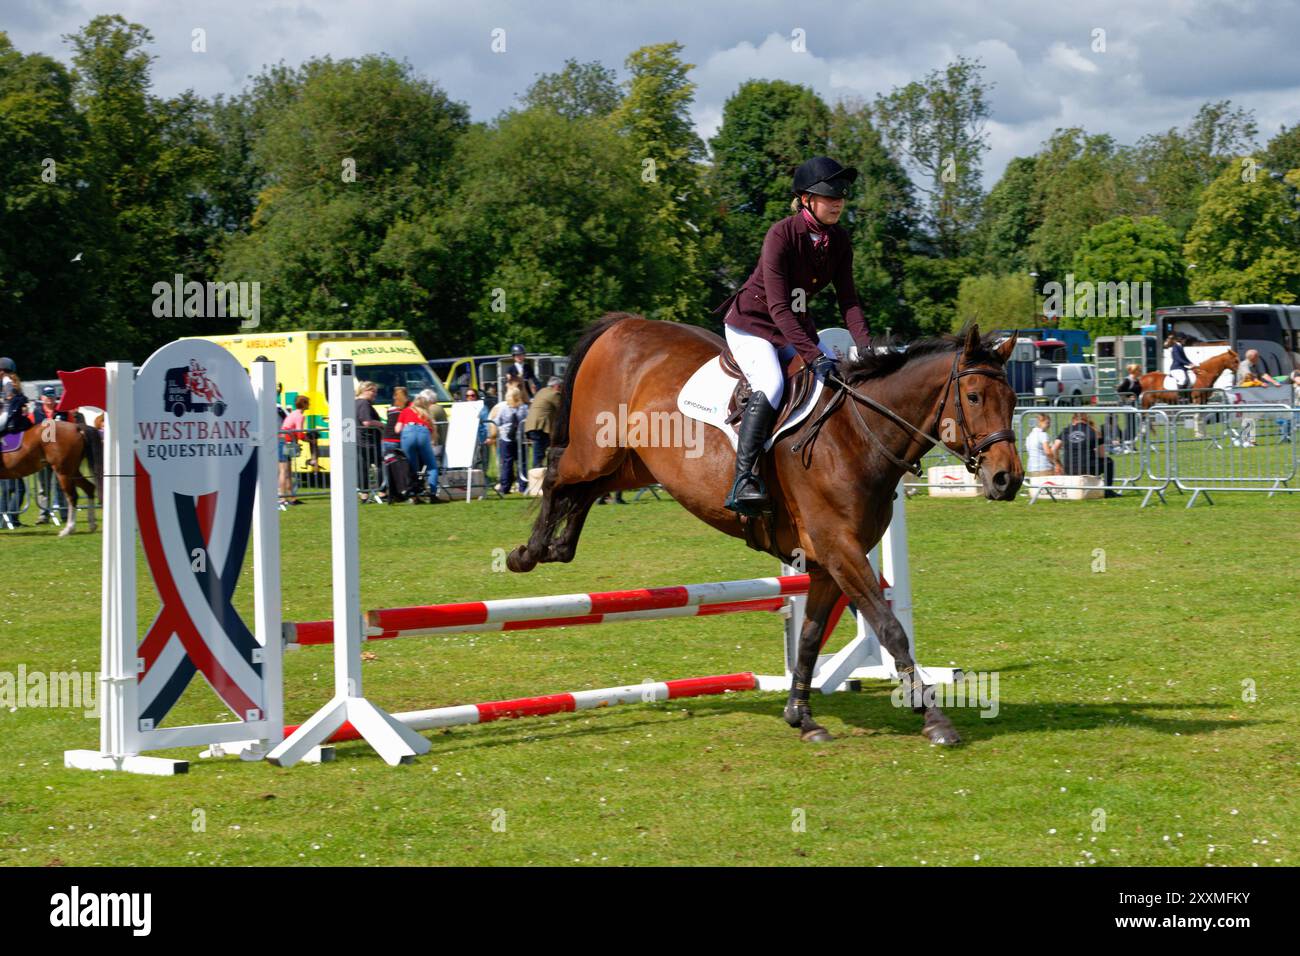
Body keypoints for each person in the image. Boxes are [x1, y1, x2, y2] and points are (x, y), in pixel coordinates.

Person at [711, 156, 873, 515]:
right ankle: (745, 479)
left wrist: (867, 348)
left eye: (841, 196)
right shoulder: (781, 235)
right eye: (829, 196)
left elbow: (849, 300)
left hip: (794, 327)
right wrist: (815, 356)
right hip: (752, 325)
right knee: (771, 384)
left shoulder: (839, 240)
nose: (838, 202)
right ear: (805, 199)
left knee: (836, 383)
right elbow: (779, 307)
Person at [1052, 412, 1117, 497]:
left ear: (1074, 420)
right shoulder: (1094, 431)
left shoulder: (1066, 430)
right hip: (1088, 468)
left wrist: (1058, 464)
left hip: (1069, 469)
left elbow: (1054, 448)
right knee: (1108, 462)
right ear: (1087, 420)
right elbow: (1101, 455)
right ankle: (1107, 490)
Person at [397, 396, 442, 502]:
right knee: (432, 466)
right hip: (423, 432)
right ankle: (432, 494)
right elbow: (432, 433)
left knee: (412, 467)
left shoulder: (405, 411)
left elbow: (398, 429)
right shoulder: (427, 414)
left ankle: (414, 496)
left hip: (407, 432)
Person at [279, 395, 316, 505]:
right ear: (304, 404)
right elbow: (300, 433)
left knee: (287, 471)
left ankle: (291, 497)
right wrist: (310, 441)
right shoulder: (300, 415)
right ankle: (283, 498)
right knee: (285, 471)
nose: (309, 405)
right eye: (308, 402)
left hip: (283, 441)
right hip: (287, 442)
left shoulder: (293, 413)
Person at [493, 386, 529, 495]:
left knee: (507, 463)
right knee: (522, 463)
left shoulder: (503, 408)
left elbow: (497, 421)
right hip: (520, 439)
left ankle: (505, 487)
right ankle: (522, 487)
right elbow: (527, 420)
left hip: (506, 439)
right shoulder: (523, 408)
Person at [525, 376, 563, 469]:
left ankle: (541, 468)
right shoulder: (554, 394)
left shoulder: (542, 391)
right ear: (557, 386)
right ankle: (537, 472)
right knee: (540, 452)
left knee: (544, 447)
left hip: (532, 425)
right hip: (540, 426)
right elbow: (563, 409)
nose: (562, 389)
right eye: (561, 387)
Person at [354, 381, 383, 497]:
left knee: (362, 468)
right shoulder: (364, 403)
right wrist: (381, 424)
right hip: (368, 441)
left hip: (359, 440)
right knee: (381, 465)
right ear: (365, 390)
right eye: (373, 391)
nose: (375, 394)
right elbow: (366, 422)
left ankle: (364, 494)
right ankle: (382, 492)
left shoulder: (354, 402)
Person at [1023, 413, 1057, 478]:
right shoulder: (1043, 435)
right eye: (1047, 423)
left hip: (1032, 468)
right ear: (1040, 422)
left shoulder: (1029, 436)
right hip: (1045, 467)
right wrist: (1055, 463)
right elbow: (1048, 452)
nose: (1049, 425)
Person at [0, 357, 27, 435]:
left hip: (6, 413)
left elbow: (8, 397)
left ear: (2, 371)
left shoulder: (6, 380)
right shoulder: (11, 381)